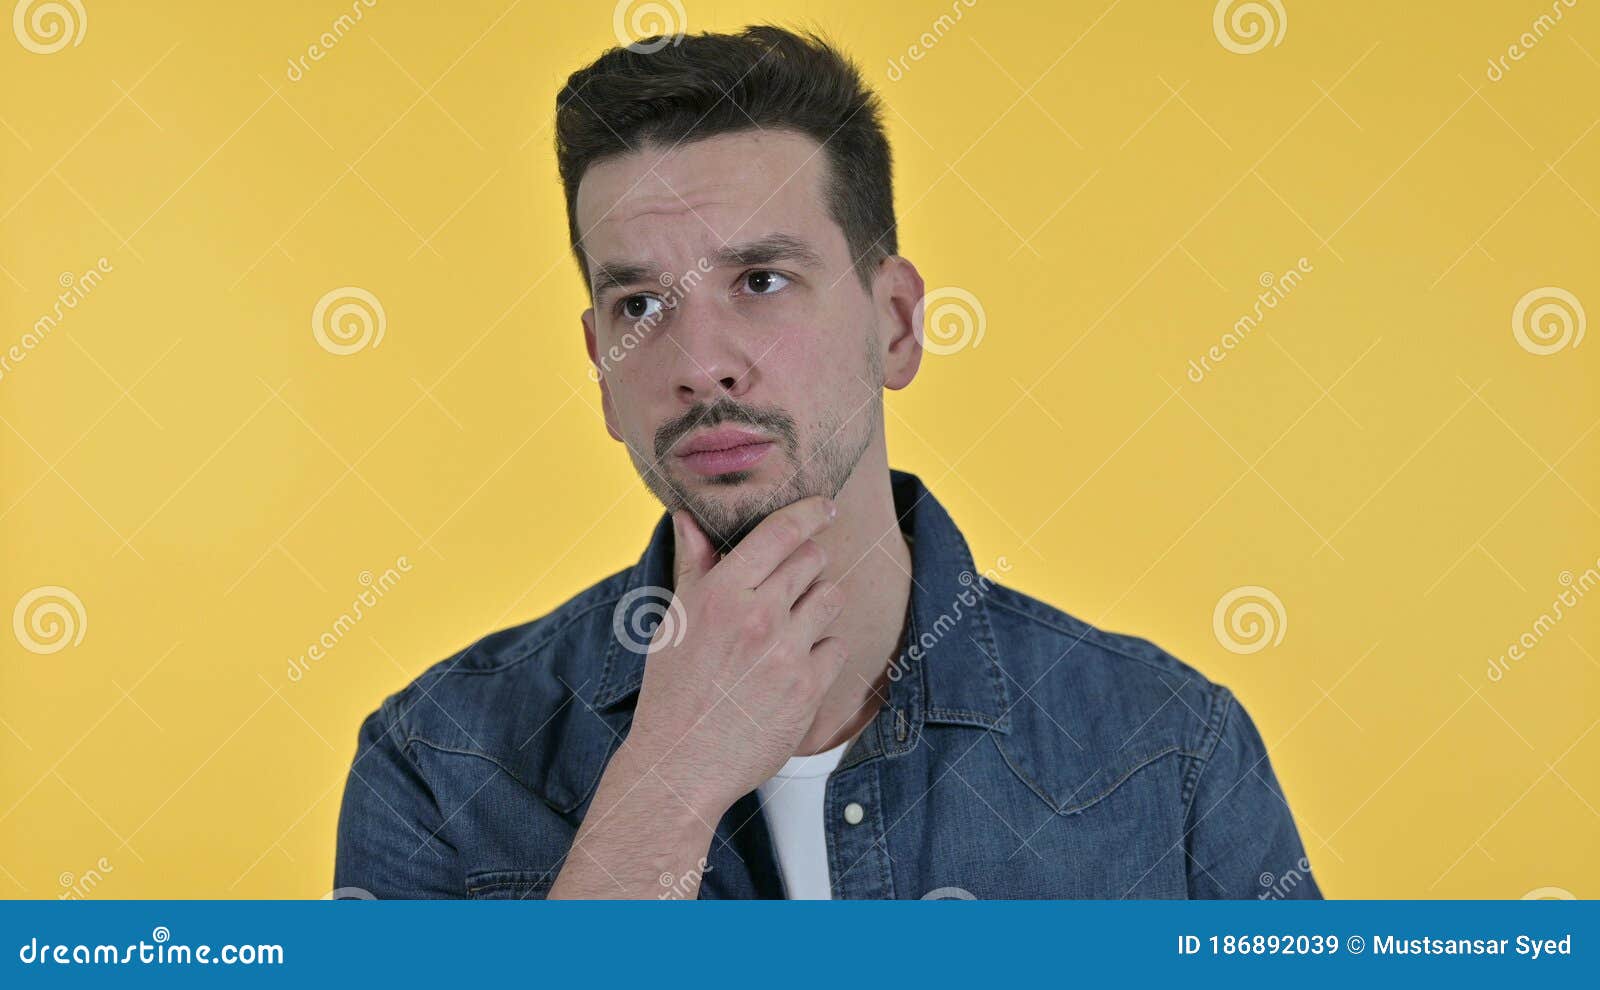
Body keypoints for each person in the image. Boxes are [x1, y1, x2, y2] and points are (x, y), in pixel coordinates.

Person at [334, 25, 1320, 900]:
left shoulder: (1169, 752)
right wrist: (670, 781)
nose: (698, 363)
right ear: (601, 369)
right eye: (640, 305)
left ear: (892, 325)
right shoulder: (438, 759)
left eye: (761, 280)